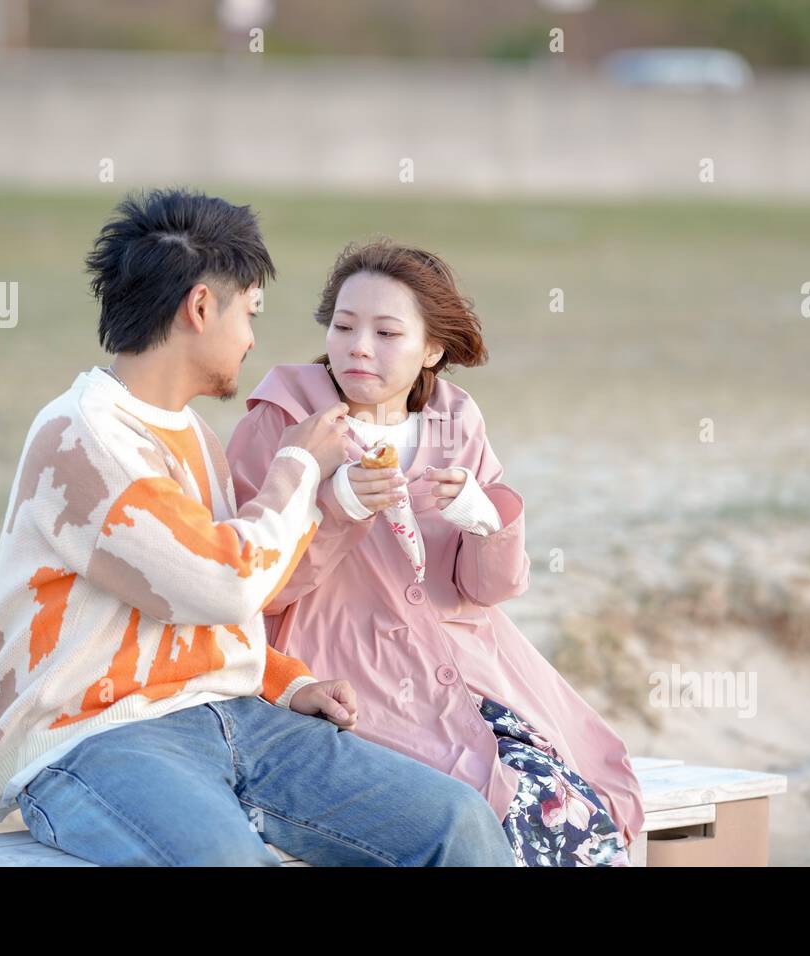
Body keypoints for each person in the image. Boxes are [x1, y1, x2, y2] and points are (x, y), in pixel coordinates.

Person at [0, 190, 516, 867]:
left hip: (239, 718)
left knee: (457, 823)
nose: (253, 338)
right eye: (249, 313)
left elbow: (196, 608)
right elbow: (223, 583)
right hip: (94, 739)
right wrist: (301, 466)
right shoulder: (84, 438)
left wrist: (284, 681)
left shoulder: (191, 433)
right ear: (199, 309)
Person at [226, 239, 645, 866]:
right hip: (346, 671)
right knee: (477, 811)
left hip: (470, 666)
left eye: (387, 332)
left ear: (432, 348)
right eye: (343, 326)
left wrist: (485, 516)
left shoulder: (457, 422)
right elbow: (253, 587)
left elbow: (487, 589)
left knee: (561, 797)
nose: (358, 346)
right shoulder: (282, 422)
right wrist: (335, 506)